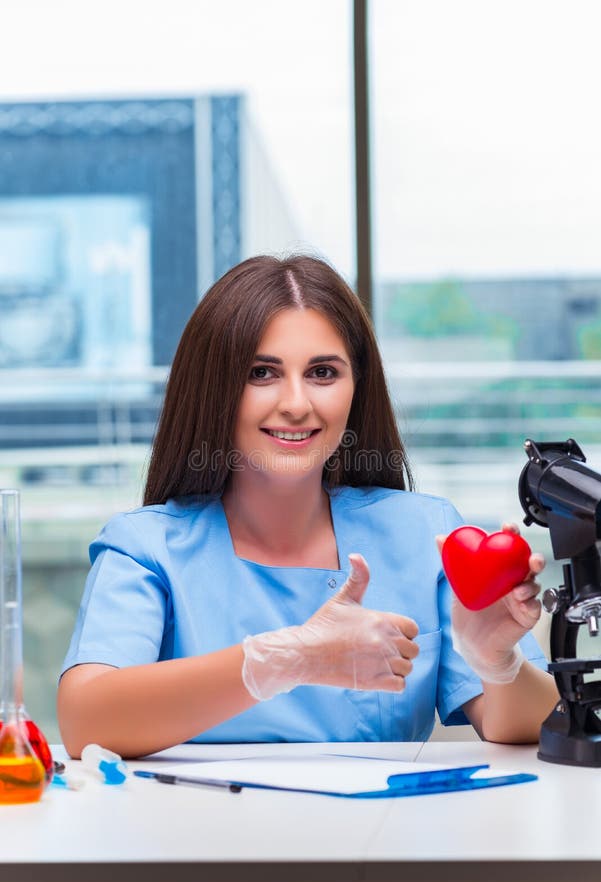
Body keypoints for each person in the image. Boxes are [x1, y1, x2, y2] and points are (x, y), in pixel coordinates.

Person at [57, 254, 558, 759]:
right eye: (261, 372)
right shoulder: (146, 548)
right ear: (214, 389)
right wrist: (291, 658)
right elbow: (85, 721)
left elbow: (530, 725)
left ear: (356, 387)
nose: (297, 403)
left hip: (379, 833)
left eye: (322, 372)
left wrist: (498, 663)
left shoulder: (424, 533)